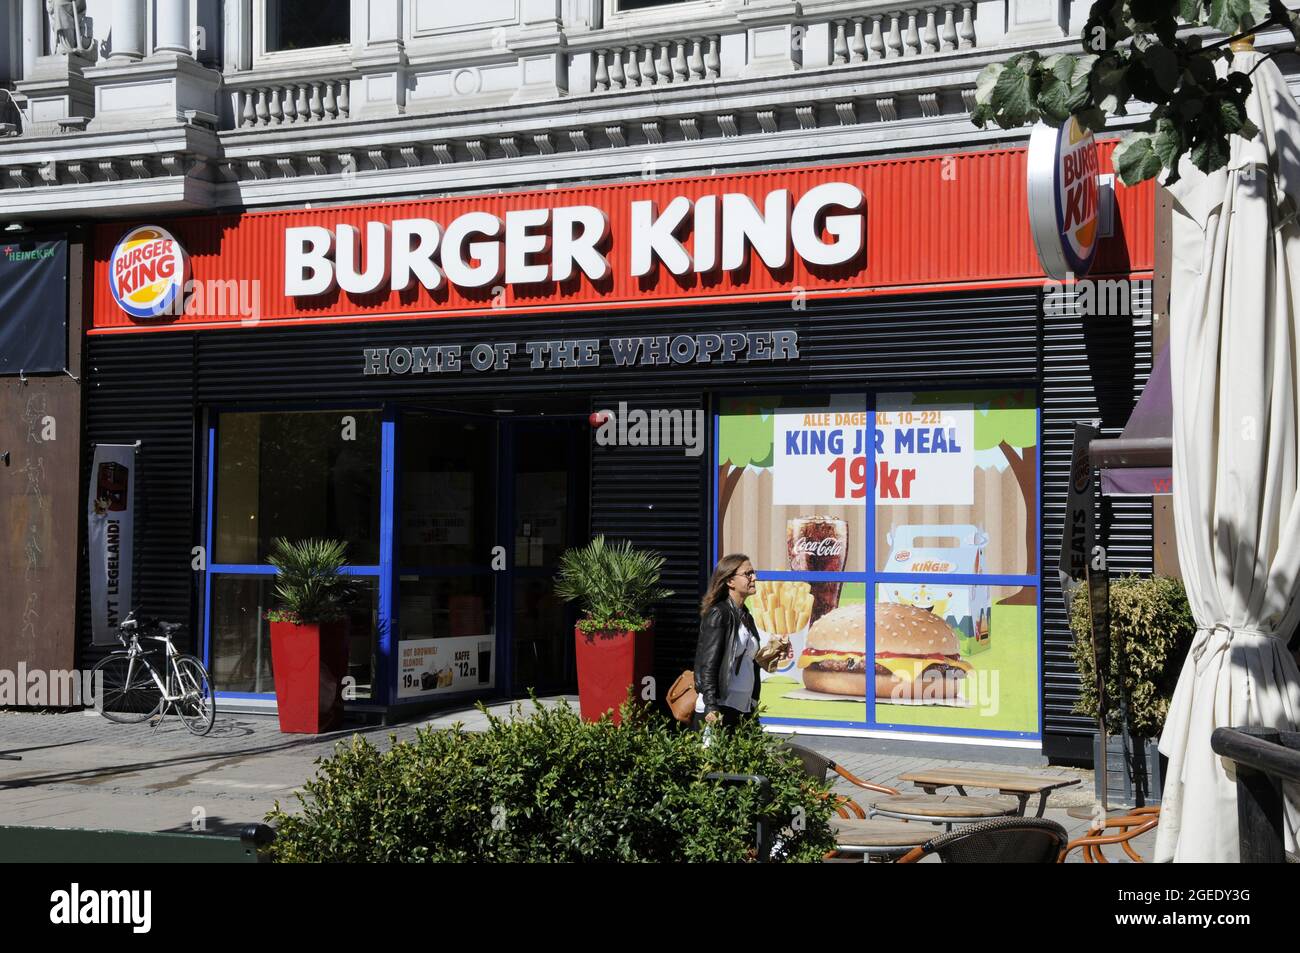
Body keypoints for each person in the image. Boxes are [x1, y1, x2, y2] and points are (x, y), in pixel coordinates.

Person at [693, 554, 775, 730]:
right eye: (748, 574)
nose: (754, 578)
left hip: (743, 707)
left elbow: (750, 662)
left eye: (753, 573)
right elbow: (708, 664)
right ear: (730, 581)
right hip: (719, 708)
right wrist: (711, 705)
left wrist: (753, 700)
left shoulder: (746, 616)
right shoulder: (719, 614)